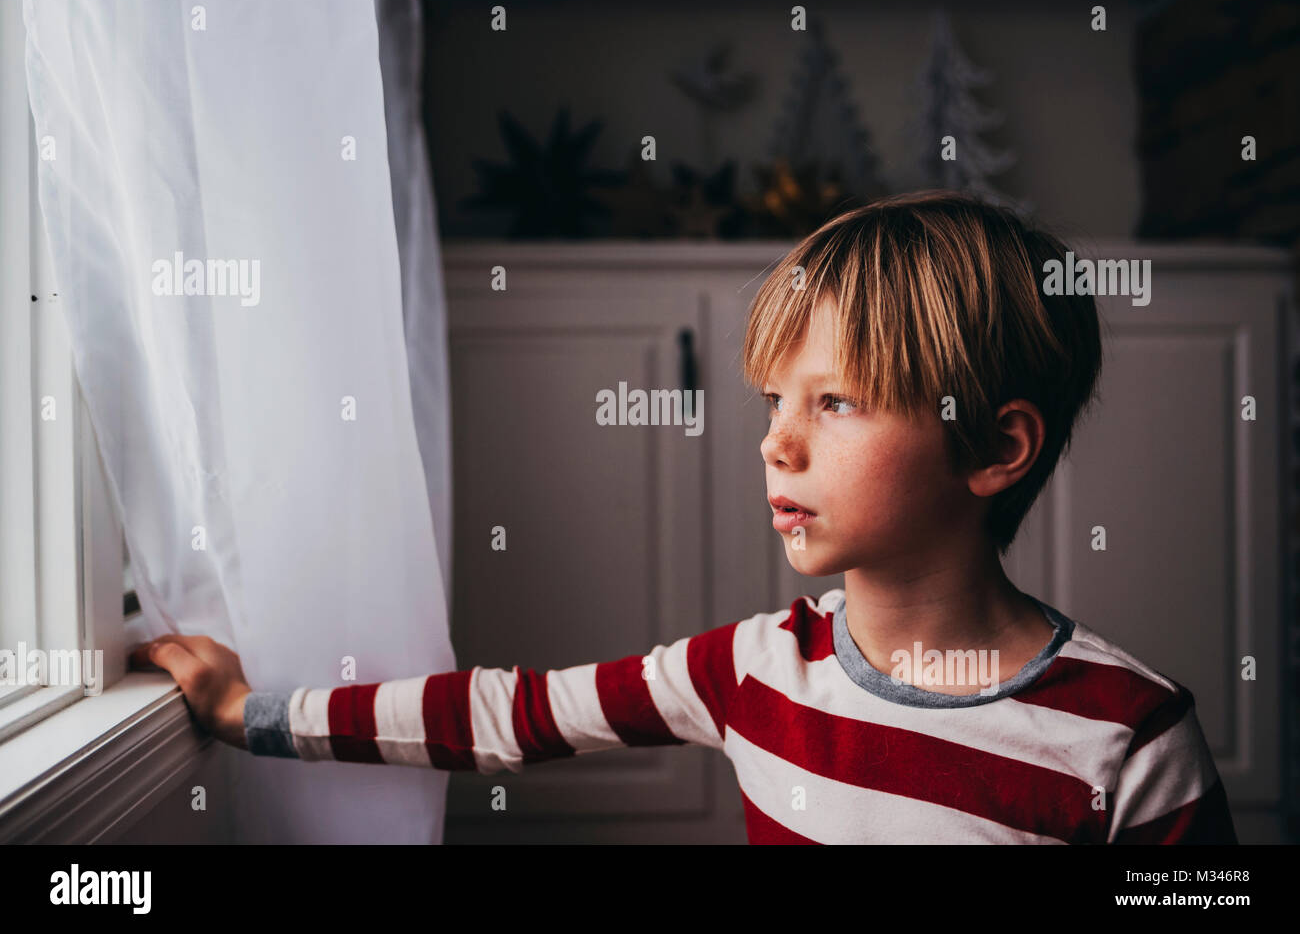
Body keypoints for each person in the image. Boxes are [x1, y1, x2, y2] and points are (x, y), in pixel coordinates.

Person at [132, 189, 1237, 844]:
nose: (776, 442)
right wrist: (251, 711)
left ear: (996, 448)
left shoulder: (1129, 738)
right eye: (774, 402)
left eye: (837, 403)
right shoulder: (749, 672)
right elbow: (504, 716)